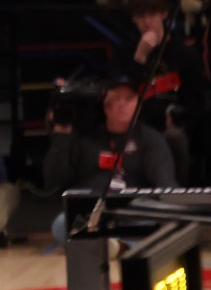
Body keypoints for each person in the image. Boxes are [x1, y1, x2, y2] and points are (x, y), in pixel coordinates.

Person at [45, 74, 177, 242]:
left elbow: (165, 182)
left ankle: (113, 245)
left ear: (138, 103)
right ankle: (113, 244)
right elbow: (55, 180)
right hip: (91, 213)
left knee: (155, 226)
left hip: (135, 213)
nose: (122, 104)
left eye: (128, 99)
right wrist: (61, 135)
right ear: (105, 104)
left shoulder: (151, 140)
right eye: (115, 99)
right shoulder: (85, 138)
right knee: (60, 224)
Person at [120, 0, 207, 180]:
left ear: (164, 14)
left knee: (174, 138)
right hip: (139, 127)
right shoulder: (126, 52)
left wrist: (182, 119)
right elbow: (122, 93)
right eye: (141, 16)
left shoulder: (184, 53)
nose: (147, 21)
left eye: (152, 14)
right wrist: (140, 58)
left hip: (175, 127)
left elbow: (197, 99)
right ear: (134, 18)